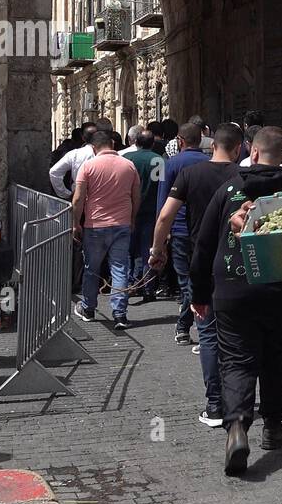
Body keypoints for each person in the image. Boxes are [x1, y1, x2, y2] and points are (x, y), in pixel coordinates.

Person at [190, 126, 282, 474]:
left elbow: (203, 245)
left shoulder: (227, 191)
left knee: (236, 360)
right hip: (280, 291)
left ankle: (237, 425)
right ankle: (272, 425)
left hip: (232, 290)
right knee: (277, 355)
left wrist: (199, 293)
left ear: (252, 152)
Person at [150, 124, 242, 425]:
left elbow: (166, 215)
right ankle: (241, 402)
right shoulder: (242, 177)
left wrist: (156, 250)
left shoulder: (190, 175)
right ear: (238, 148)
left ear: (211, 145)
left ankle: (215, 405)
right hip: (236, 264)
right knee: (237, 336)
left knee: (207, 333)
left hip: (200, 261)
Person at [71, 130, 140, 329]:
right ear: (112, 144)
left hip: (95, 225)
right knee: (120, 268)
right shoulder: (128, 165)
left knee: (91, 268)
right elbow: (136, 196)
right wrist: (132, 218)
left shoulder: (88, 166)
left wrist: (76, 223)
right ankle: (120, 314)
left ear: (93, 147)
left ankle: (89, 308)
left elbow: (78, 199)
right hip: (122, 224)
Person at [150, 123, 208, 346]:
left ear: (180, 141)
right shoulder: (209, 163)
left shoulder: (171, 164)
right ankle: (187, 325)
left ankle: (189, 326)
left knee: (186, 282)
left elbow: (163, 204)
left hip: (181, 230)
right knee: (197, 279)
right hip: (205, 230)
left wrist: (160, 238)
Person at [122, 130, 163, 305]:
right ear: (152, 143)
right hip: (152, 211)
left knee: (129, 250)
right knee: (149, 249)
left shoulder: (128, 158)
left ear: (136, 142)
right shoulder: (160, 160)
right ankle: (148, 287)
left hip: (130, 210)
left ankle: (131, 283)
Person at [48, 120, 99, 197]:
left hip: (78, 196)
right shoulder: (106, 154)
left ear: (83, 138)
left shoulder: (74, 154)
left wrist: (66, 194)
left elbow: (54, 172)